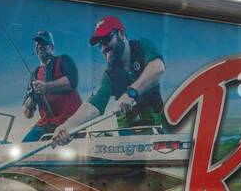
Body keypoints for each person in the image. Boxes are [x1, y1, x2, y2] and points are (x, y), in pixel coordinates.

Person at [51, 15, 166, 146]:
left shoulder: (142, 46)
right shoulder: (109, 74)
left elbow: (158, 67)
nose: (103, 48)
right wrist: (68, 126)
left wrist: (131, 93)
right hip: (129, 126)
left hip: (154, 119)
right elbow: (94, 105)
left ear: (122, 34)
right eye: (99, 44)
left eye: (106, 39)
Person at [21, 31, 83, 142]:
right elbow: (28, 114)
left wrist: (46, 87)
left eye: (43, 43)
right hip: (46, 124)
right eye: (37, 44)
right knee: (24, 146)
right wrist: (28, 106)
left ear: (51, 47)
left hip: (71, 121)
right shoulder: (34, 75)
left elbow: (72, 82)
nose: (40, 46)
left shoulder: (64, 60)